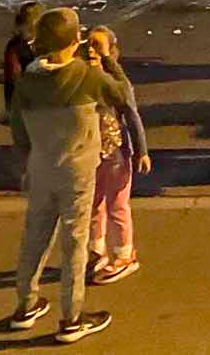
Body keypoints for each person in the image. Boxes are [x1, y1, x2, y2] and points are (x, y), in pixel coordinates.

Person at [7, 6, 124, 343]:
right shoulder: (85, 77)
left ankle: (25, 304)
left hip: (41, 168)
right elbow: (123, 95)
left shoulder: (27, 81)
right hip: (78, 173)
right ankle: (71, 317)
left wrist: (28, 160)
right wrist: (105, 61)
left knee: (35, 237)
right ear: (75, 40)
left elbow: (18, 131)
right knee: (74, 243)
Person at [82, 25, 150, 285]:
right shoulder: (83, 77)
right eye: (88, 44)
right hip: (91, 155)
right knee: (93, 204)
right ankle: (96, 249)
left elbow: (131, 113)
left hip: (116, 153)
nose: (91, 49)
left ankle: (124, 253)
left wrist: (141, 151)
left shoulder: (113, 83)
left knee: (117, 205)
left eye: (98, 45)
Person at [3, 0, 44, 114]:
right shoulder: (16, 47)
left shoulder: (14, 45)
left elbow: (11, 77)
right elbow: (13, 76)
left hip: (24, 102)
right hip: (31, 102)